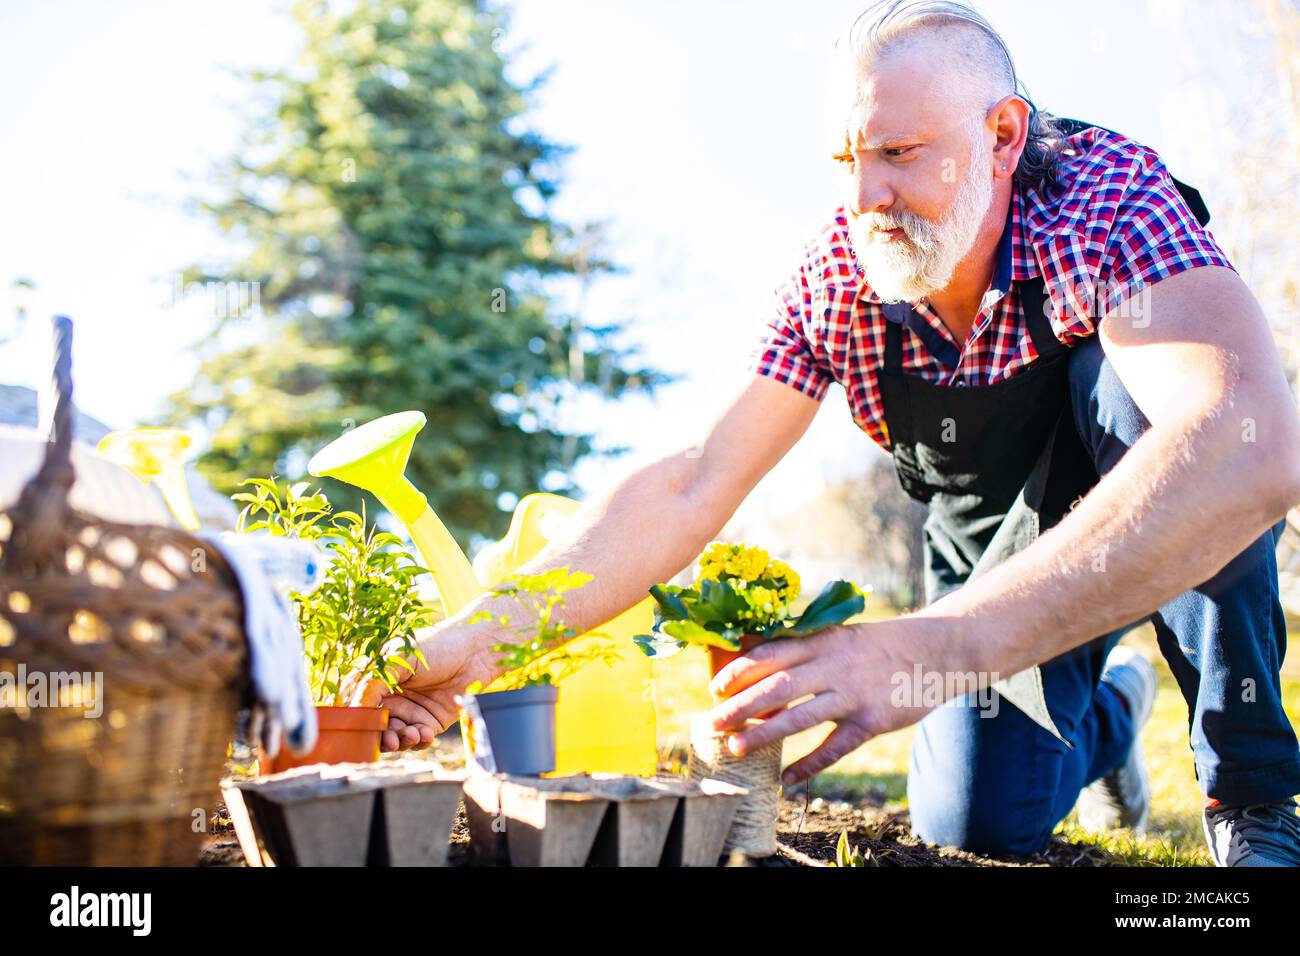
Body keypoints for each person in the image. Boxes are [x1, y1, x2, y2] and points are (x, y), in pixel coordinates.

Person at [359, 0, 1300, 865]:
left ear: (1004, 134)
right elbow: (696, 478)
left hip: (1121, 469)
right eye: (847, 160)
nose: (864, 199)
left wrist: (934, 649)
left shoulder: (1103, 199)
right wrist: (483, 641)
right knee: (975, 820)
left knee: (1166, 418)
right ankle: (1108, 718)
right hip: (986, 531)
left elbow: (1247, 441)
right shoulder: (838, 277)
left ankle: (1251, 793)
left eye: (897, 152)